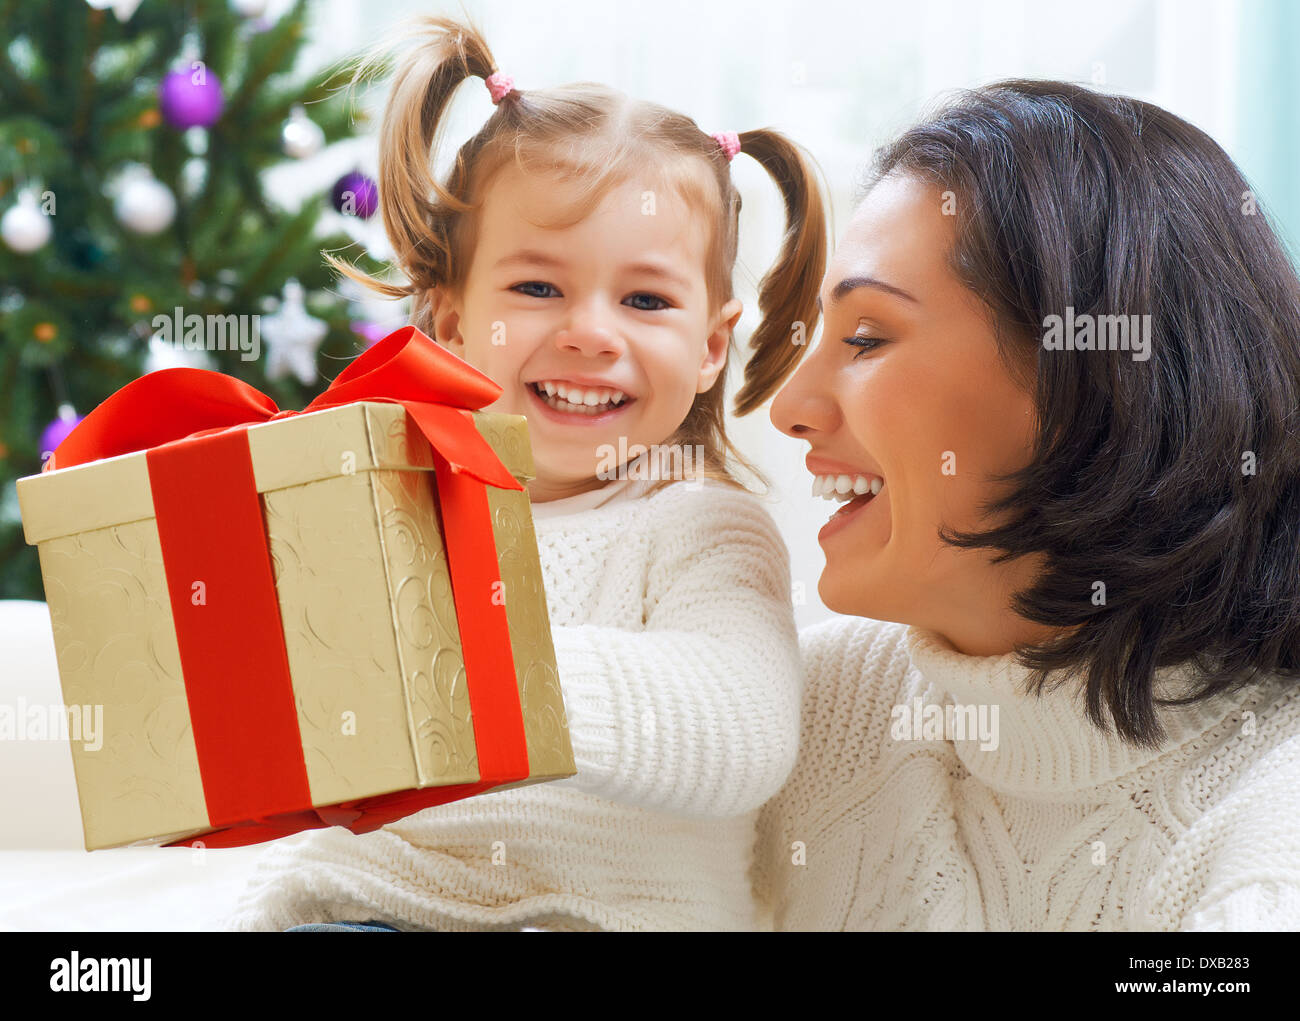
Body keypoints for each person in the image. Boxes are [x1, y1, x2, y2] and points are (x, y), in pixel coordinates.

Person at [224, 14, 828, 931]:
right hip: (367, 906)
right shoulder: (392, 506)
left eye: (645, 299)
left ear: (711, 346)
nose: (590, 330)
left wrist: (471, 670)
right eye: (539, 287)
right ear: (453, 316)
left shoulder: (699, 523)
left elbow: (743, 731)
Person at [755, 79, 1300, 931]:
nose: (789, 406)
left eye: (865, 338)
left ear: (1098, 380)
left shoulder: (1270, 840)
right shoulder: (798, 710)